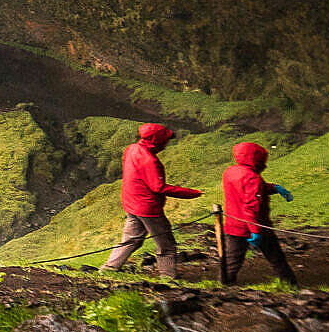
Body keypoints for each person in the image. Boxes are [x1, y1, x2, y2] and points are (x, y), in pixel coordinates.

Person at [101, 123, 202, 278]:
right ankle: (168, 277)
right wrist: (191, 193)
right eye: (165, 139)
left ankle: (109, 269)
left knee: (131, 240)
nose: (167, 143)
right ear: (157, 140)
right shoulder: (149, 160)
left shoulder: (132, 149)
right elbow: (158, 187)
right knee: (166, 245)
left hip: (131, 203)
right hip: (148, 208)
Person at [220, 141, 297, 286]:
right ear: (256, 159)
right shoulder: (252, 178)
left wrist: (274, 188)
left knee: (232, 260)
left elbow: (243, 191)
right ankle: (290, 285)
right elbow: (250, 207)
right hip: (257, 226)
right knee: (276, 258)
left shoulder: (230, 171)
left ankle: (224, 286)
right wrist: (255, 231)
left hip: (233, 225)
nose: (265, 164)